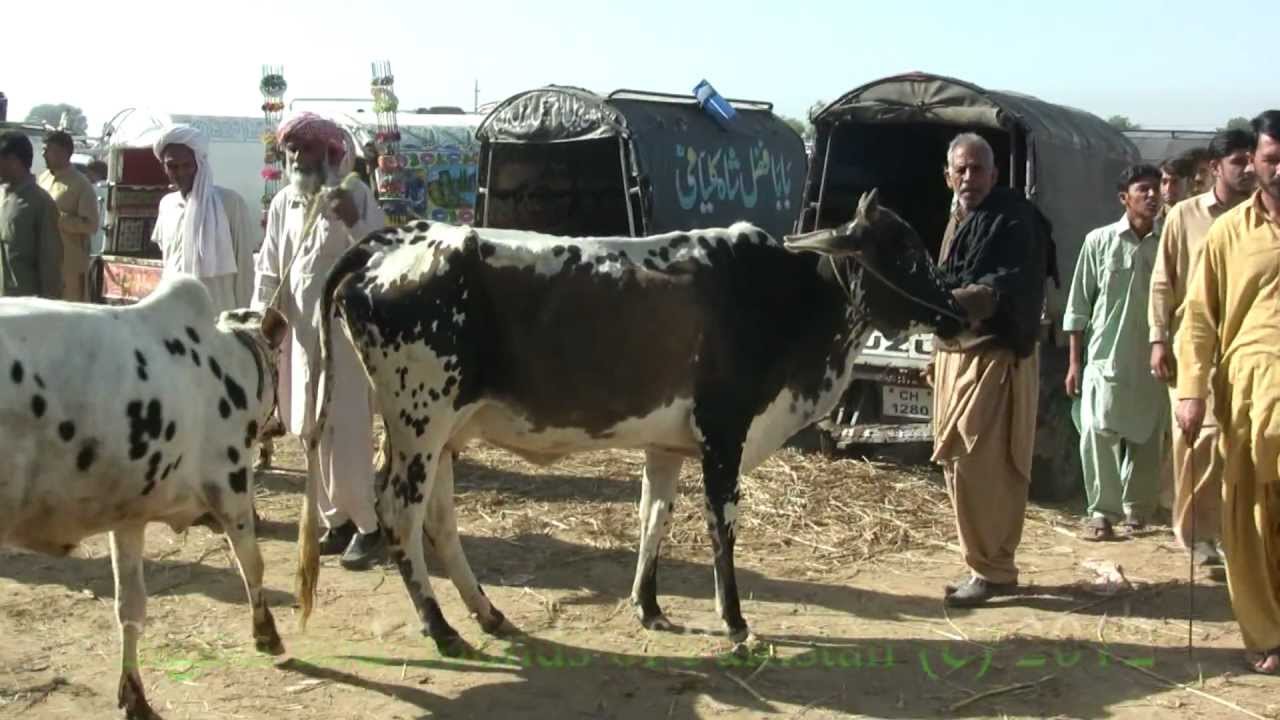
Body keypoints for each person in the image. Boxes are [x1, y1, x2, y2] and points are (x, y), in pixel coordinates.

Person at [251, 112, 387, 570]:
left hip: (345, 338)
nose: (295, 156)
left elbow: (382, 255)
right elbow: (270, 265)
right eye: (290, 149)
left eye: (305, 148)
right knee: (311, 427)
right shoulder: (285, 203)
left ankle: (370, 528)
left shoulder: (355, 194)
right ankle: (337, 521)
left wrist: (354, 222)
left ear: (328, 152)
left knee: (347, 430)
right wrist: (262, 319)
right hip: (303, 338)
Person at [1175, 110, 1280, 675]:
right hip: (1246, 400)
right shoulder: (1229, 233)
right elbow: (1197, 318)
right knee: (1248, 523)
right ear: (1256, 164)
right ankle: (1266, 634)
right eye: (1271, 159)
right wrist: (1191, 391)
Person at [931, 132, 1053, 607]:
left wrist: (937, 305)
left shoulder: (1013, 221)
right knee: (959, 467)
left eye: (977, 169)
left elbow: (1001, 288)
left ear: (994, 174)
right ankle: (982, 564)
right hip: (956, 358)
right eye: (960, 170)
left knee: (986, 468)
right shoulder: (959, 219)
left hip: (995, 361)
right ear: (947, 176)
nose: (968, 178)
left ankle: (994, 569)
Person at [1149, 128, 1257, 566]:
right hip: (1193, 349)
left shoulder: (1261, 217)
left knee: (1245, 442)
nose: (1249, 169)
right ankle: (1196, 535)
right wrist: (1158, 339)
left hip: (1246, 347)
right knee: (1201, 440)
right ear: (1214, 167)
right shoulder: (1184, 216)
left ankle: (1236, 531)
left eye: (1253, 160)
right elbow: (1163, 281)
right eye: (1238, 162)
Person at [1064, 164, 1169, 540]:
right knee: (1096, 433)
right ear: (1124, 197)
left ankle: (1137, 511)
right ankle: (1102, 514)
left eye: (1156, 189)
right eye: (1144, 190)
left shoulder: (1169, 243)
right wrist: (1075, 363)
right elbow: (1078, 306)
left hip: (1154, 358)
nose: (1153, 196)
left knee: (1147, 437)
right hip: (1104, 359)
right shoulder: (1098, 241)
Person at [150, 125, 259, 313]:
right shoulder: (167, 205)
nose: (180, 172)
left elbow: (245, 268)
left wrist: (242, 316)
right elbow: (168, 264)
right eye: (172, 166)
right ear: (164, 167)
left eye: (187, 165)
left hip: (218, 312)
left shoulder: (230, 203)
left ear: (200, 164)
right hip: (175, 312)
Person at [36, 130, 98, 301]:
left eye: (48, 150)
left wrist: (58, 219)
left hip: (69, 266)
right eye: (43, 149)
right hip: (44, 263)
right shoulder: (43, 179)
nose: (43, 154)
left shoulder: (81, 184)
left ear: (64, 153)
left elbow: (91, 225)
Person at [0, 131, 62, 298]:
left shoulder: (40, 203)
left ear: (13, 161)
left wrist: (48, 309)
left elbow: (50, 263)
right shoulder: (1, 196)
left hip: (24, 309)